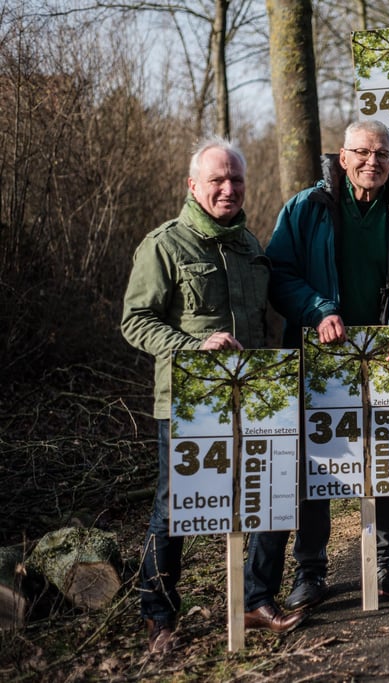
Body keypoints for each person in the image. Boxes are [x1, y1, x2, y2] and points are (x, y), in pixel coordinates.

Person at [246, 120, 389, 613]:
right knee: (318, 465)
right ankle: (310, 571)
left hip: (388, 357)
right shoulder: (305, 208)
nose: (372, 161)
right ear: (342, 155)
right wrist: (317, 311)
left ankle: (381, 564)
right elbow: (280, 274)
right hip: (321, 355)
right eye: (362, 152)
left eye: (382, 154)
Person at [122, 137, 306, 654]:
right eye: (217, 180)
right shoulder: (164, 245)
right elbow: (135, 321)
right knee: (174, 508)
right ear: (193, 185)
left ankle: (257, 600)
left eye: (236, 180)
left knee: (272, 495)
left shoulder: (250, 246)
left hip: (257, 396)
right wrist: (194, 345)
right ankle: (159, 616)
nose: (228, 188)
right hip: (189, 400)